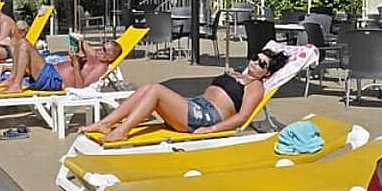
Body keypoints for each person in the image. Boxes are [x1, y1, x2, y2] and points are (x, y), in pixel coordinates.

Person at [78, 48, 288, 143]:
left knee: (156, 90)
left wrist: (211, 129)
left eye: (262, 64)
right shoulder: (240, 74)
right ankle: (105, 123)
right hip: (195, 106)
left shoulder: (255, 87)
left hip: (205, 117)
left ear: (267, 72)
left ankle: (122, 131)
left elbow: (242, 117)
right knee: (148, 88)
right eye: (255, 58)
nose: (255, 63)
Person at [0, 31, 122, 94]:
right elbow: (84, 43)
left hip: (52, 80)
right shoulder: (96, 56)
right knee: (19, 42)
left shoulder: (100, 68)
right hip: (49, 72)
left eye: (104, 50)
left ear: (110, 58)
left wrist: (76, 64)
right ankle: (13, 78)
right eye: (102, 46)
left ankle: (16, 84)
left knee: (24, 44)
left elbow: (81, 87)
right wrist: (77, 39)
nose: (100, 50)